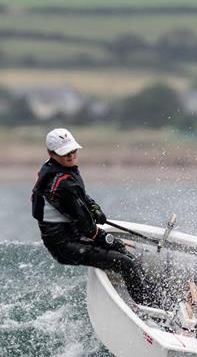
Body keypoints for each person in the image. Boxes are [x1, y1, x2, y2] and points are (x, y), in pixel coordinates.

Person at [31, 128, 159, 307]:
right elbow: (87, 228)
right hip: (65, 245)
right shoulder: (63, 184)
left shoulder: (56, 168)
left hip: (71, 235)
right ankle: (152, 308)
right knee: (126, 264)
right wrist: (108, 239)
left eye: (73, 150)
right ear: (50, 153)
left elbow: (79, 196)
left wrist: (92, 206)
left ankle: (156, 297)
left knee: (124, 253)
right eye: (65, 153)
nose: (71, 156)